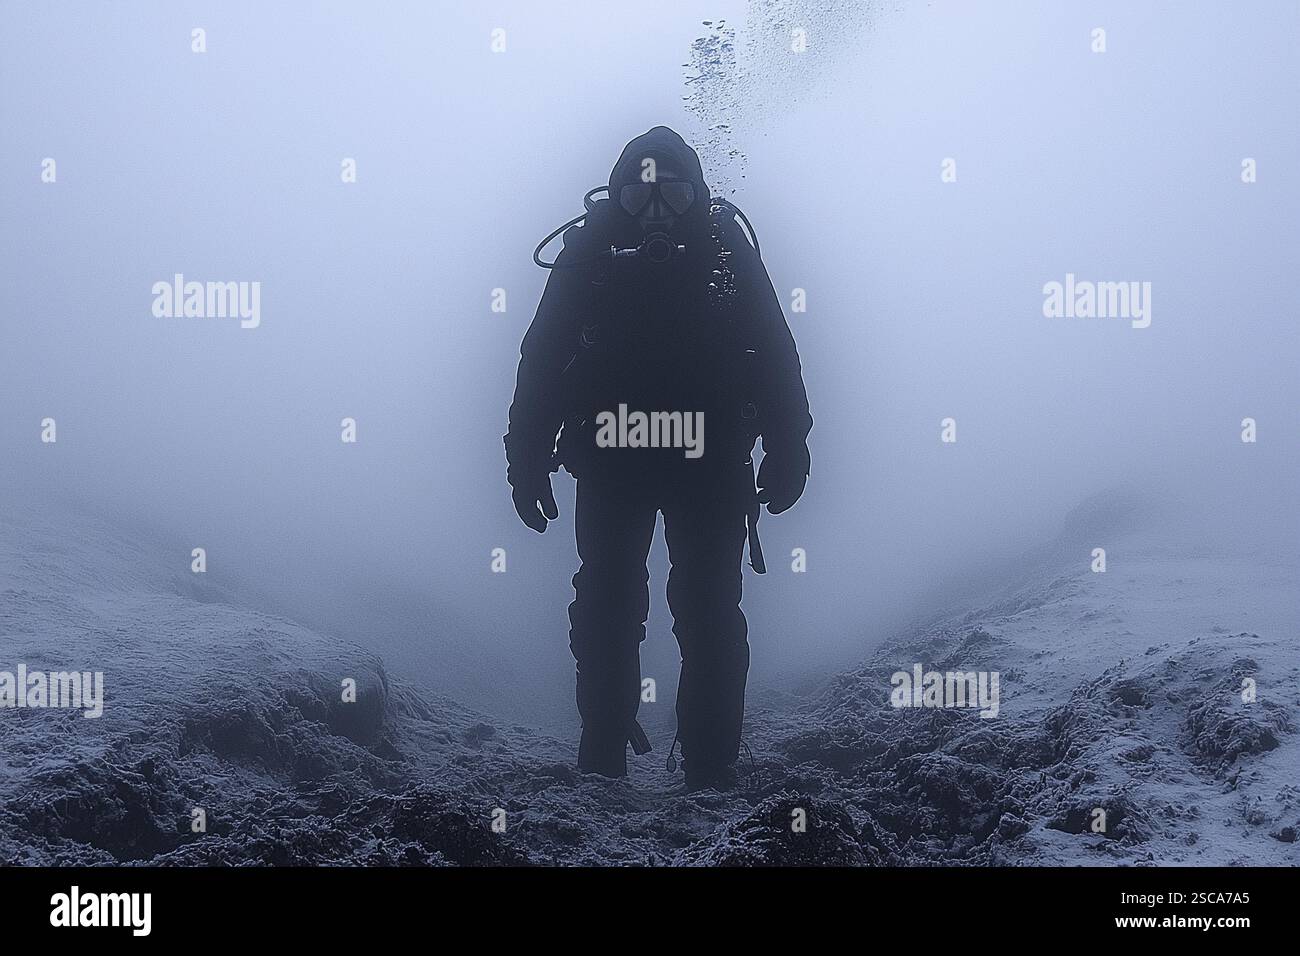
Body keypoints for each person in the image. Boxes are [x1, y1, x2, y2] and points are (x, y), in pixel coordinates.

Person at [505, 126, 812, 790]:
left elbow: (775, 351)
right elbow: (543, 358)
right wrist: (523, 455)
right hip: (615, 459)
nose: (656, 213)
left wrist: (792, 443)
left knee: (709, 611)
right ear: (614, 198)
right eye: (638, 195)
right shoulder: (587, 256)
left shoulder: (725, 251)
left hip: (709, 463)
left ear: (697, 197)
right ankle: (603, 754)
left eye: (673, 195)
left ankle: (708, 761)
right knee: (608, 607)